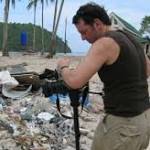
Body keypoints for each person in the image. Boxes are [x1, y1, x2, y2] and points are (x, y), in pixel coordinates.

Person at [57, 2, 150, 150]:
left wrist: (63, 67)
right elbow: (146, 71)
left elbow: (75, 81)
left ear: (97, 24)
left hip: (123, 124)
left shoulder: (104, 43)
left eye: (84, 32)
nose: (82, 38)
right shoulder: (130, 38)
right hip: (144, 119)